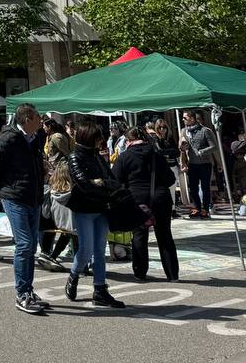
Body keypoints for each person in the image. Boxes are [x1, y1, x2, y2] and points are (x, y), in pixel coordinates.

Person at [0, 103, 49, 315]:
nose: (41, 122)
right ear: (27, 119)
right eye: (38, 118)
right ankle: (22, 293)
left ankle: (28, 290)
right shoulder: (9, 138)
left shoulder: (36, 138)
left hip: (33, 198)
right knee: (25, 243)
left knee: (32, 245)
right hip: (15, 197)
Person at [65, 121, 126, 308]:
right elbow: (84, 184)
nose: (101, 141)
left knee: (99, 251)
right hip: (84, 209)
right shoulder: (74, 157)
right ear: (88, 138)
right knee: (86, 250)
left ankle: (100, 289)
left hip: (101, 208)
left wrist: (101, 183)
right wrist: (99, 183)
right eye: (97, 137)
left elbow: (112, 180)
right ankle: (73, 275)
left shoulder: (98, 157)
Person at [112, 126, 179, 282]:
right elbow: (170, 179)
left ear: (129, 141)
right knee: (165, 235)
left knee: (139, 235)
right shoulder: (156, 155)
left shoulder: (124, 157)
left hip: (137, 199)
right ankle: (172, 274)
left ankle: (140, 272)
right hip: (161, 198)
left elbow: (115, 180)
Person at [181, 110, 219, 219]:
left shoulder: (205, 130)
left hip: (205, 163)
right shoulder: (184, 131)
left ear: (192, 119)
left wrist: (202, 151)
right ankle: (197, 208)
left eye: (185, 118)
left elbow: (214, 146)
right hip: (192, 163)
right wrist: (182, 148)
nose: (183, 120)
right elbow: (182, 146)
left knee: (205, 187)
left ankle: (205, 209)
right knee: (193, 188)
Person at [151, 119, 184, 209]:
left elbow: (177, 152)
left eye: (164, 127)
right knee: (164, 189)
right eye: (160, 127)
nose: (162, 129)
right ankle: (167, 209)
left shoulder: (170, 138)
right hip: (162, 168)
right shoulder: (155, 139)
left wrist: (166, 153)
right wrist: (169, 153)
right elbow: (159, 152)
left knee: (173, 188)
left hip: (173, 166)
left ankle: (173, 209)